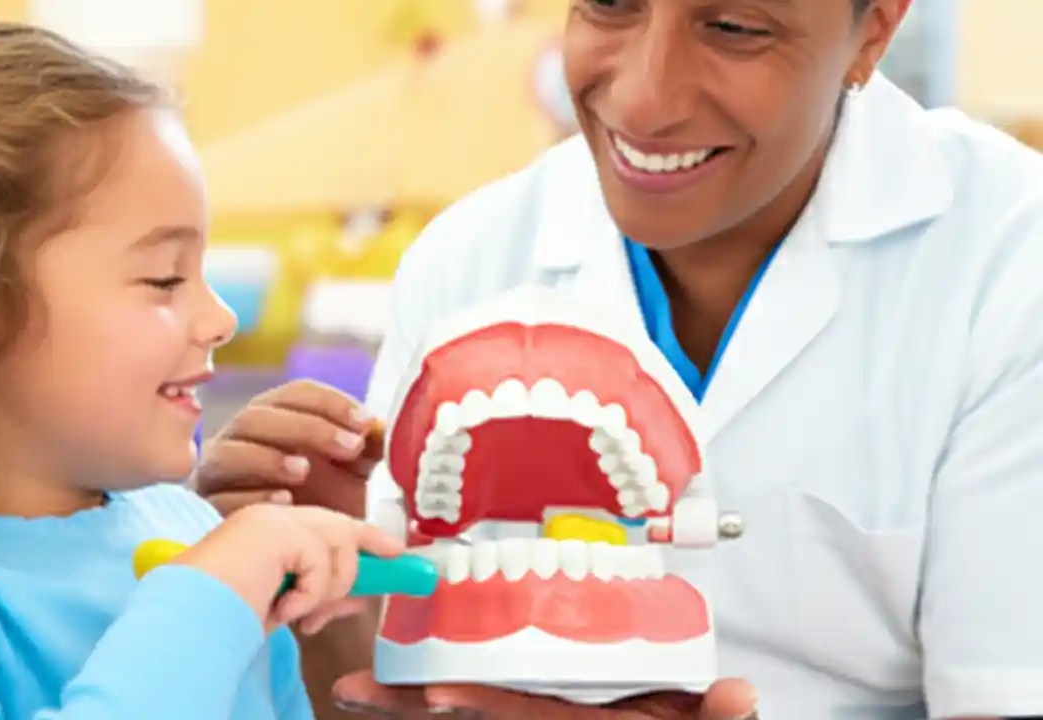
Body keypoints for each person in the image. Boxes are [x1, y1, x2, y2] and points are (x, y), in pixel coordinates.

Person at [196, 0, 1043, 718]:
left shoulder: (1007, 262)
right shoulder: (470, 255)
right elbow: (382, 681)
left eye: (735, 27)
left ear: (874, 29)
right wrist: (303, 581)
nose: (645, 99)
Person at [0, 22, 405, 719]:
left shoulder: (192, 529)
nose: (220, 318)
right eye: (164, 279)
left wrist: (329, 614)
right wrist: (208, 598)